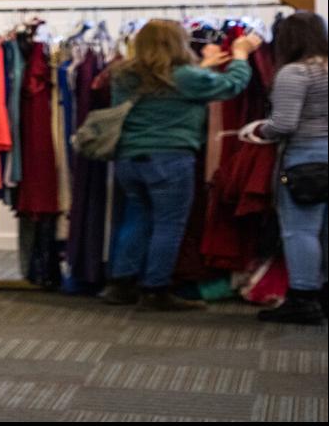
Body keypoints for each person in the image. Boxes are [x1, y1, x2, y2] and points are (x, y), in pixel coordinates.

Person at [102, 20, 259, 311]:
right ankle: (155, 289)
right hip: (169, 159)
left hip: (128, 159)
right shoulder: (184, 76)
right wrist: (240, 55)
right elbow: (232, 85)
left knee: (136, 218)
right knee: (168, 224)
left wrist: (203, 66)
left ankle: (120, 284)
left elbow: (165, 87)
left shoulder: (122, 74)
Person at [250, 12, 328, 325]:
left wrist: (258, 130)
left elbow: (284, 123)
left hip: (305, 158)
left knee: (300, 230)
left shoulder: (294, 73)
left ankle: (303, 298)